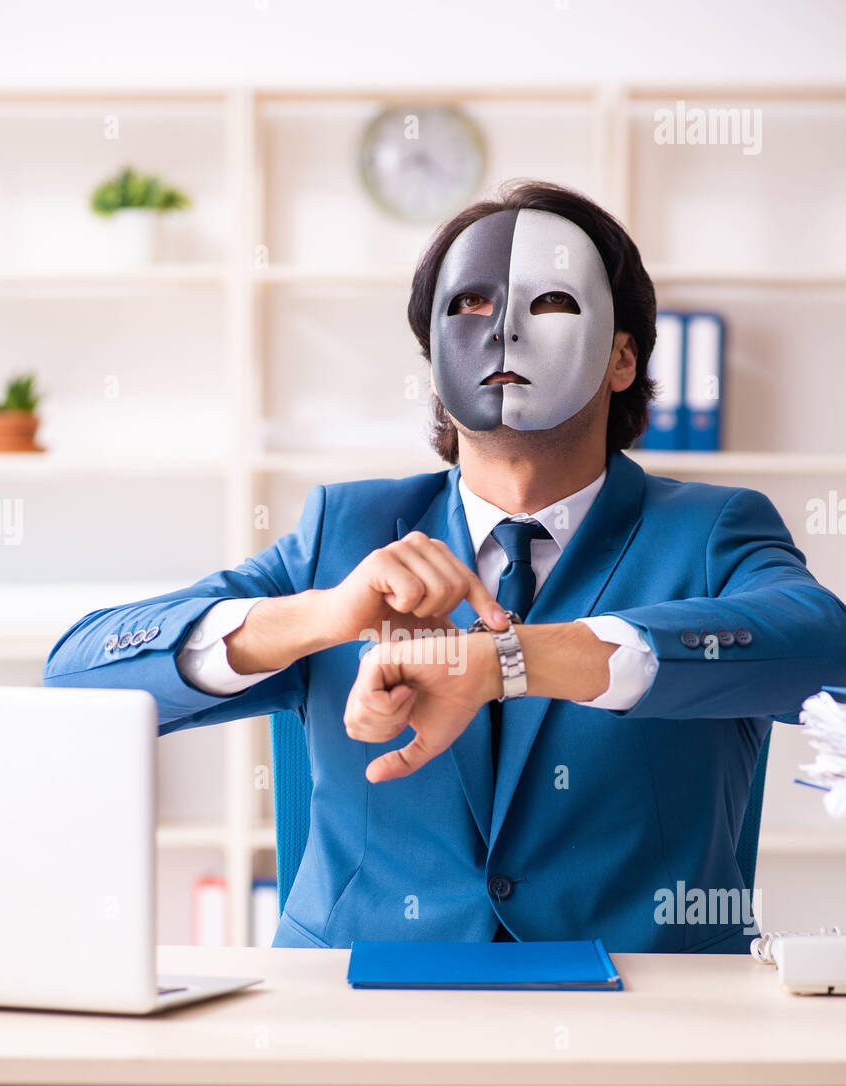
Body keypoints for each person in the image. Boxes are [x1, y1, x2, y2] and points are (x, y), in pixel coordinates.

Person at [44, 181, 846, 953]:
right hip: (357, 1016)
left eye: (553, 302)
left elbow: (823, 651)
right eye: (469, 306)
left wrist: (508, 662)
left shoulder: (709, 530)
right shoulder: (346, 530)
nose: (504, 331)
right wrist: (323, 615)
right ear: (432, 363)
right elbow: (78, 678)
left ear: (621, 359)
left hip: (644, 1013)